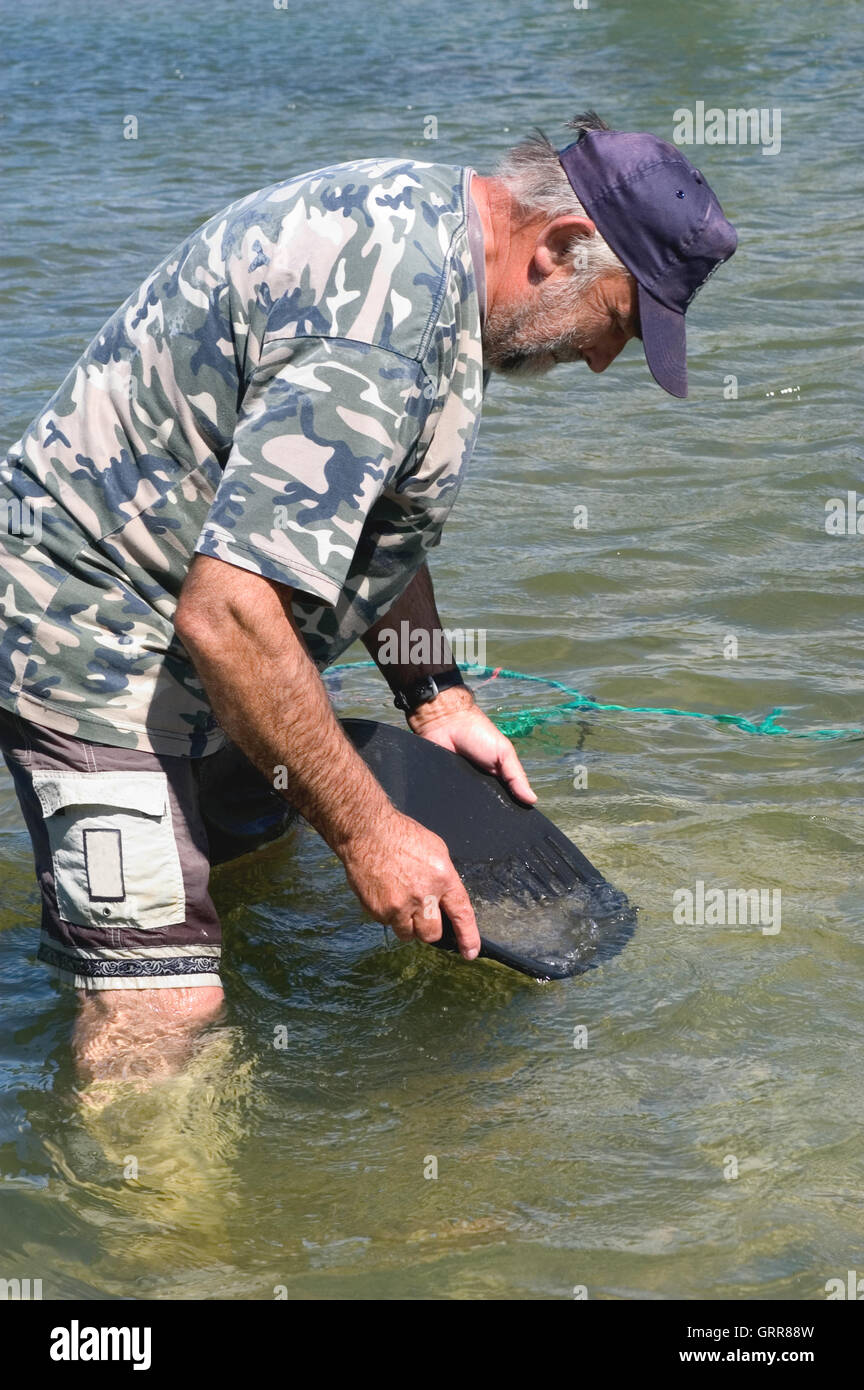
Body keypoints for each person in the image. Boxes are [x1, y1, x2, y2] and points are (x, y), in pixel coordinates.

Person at [0, 111, 736, 1078]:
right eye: (620, 323)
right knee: (165, 1001)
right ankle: (138, 1174)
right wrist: (369, 834)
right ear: (561, 248)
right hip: (91, 630)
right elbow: (228, 614)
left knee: (250, 861)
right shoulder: (384, 332)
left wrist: (436, 697)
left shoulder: (445, 245)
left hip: (206, 622)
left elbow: (360, 515)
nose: (604, 360)